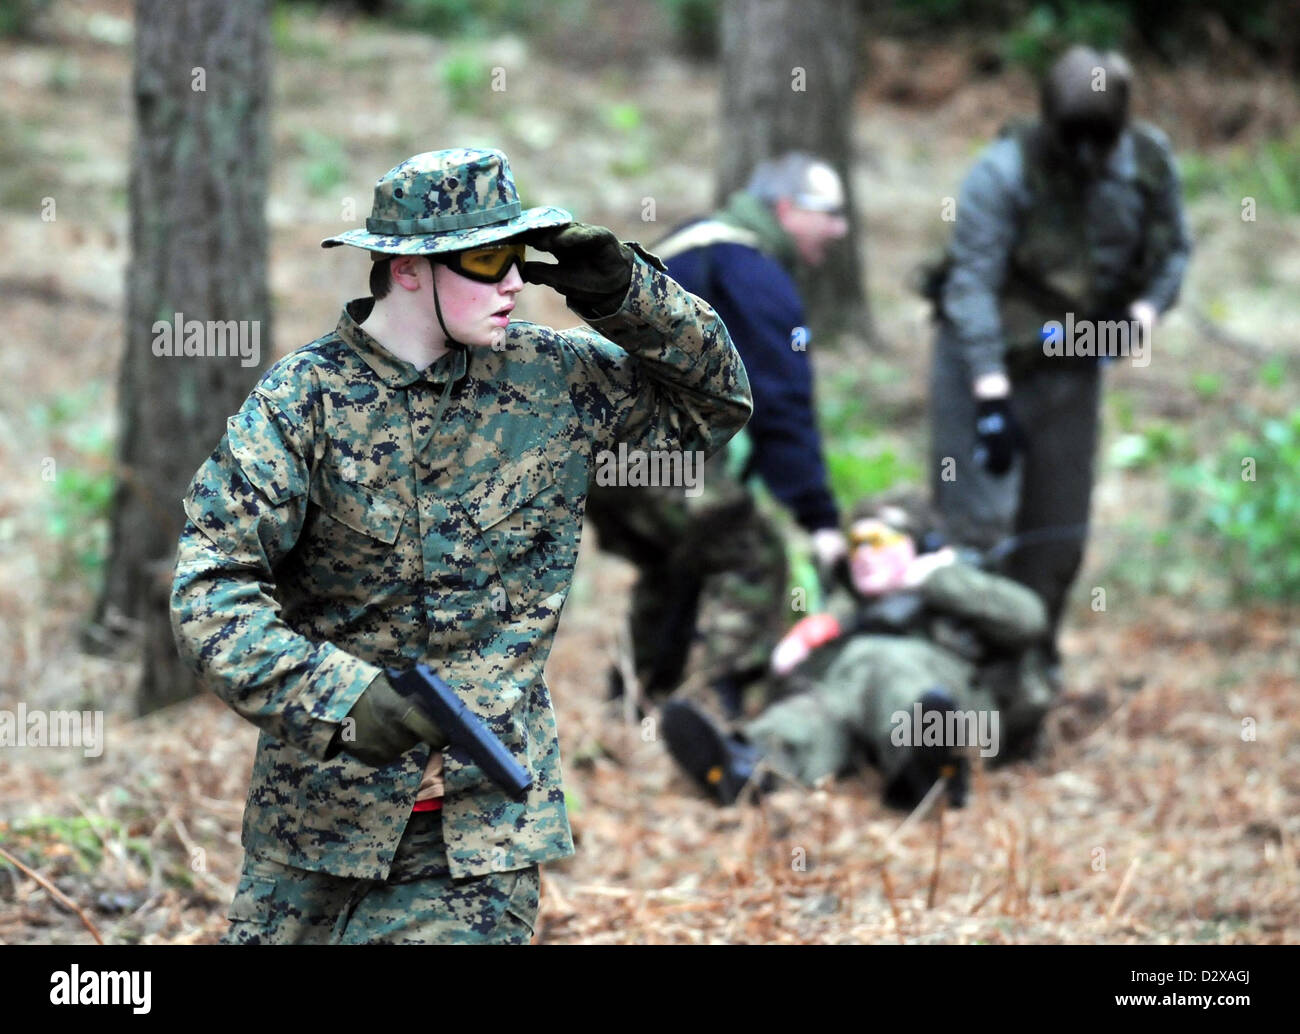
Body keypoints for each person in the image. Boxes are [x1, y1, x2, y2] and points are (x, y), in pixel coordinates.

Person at [169, 148, 751, 944]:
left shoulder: (555, 381)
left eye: (518, 255)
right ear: (408, 269)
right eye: (486, 259)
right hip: (316, 828)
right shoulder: (302, 401)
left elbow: (713, 406)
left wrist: (627, 295)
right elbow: (212, 590)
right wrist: (341, 698)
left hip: (479, 844)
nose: (513, 281)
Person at [926, 46, 1191, 670]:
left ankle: (1028, 675)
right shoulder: (1002, 171)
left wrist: (1146, 313)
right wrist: (990, 395)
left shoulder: (1148, 164)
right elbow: (970, 286)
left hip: (1072, 365)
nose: (1085, 155)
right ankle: (955, 676)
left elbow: (1175, 250)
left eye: (1098, 139)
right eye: (1073, 138)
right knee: (979, 528)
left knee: (1056, 533)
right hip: (985, 363)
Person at [585, 152, 850, 716]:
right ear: (788, 209)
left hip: (600, 460)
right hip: (657, 456)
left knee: (680, 558)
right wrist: (818, 517)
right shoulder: (753, 272)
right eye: (830, 213)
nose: (839, 230)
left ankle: (632, 706)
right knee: (755, 553)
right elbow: (781, 404)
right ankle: (725, 711)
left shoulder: (688, 245)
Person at [660, 494, 1054, 810]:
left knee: (883, 659)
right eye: (856, 544)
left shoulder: (955, 587)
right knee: (823, 706)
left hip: (968, 724)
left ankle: (933, 768)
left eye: (879, 541)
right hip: (868, 737)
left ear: (921, 546)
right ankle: (749, 764)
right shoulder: (844, 615)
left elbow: (1029, 619)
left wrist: (940, 581)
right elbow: (807, 695)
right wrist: (793, 658)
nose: (864, 554)